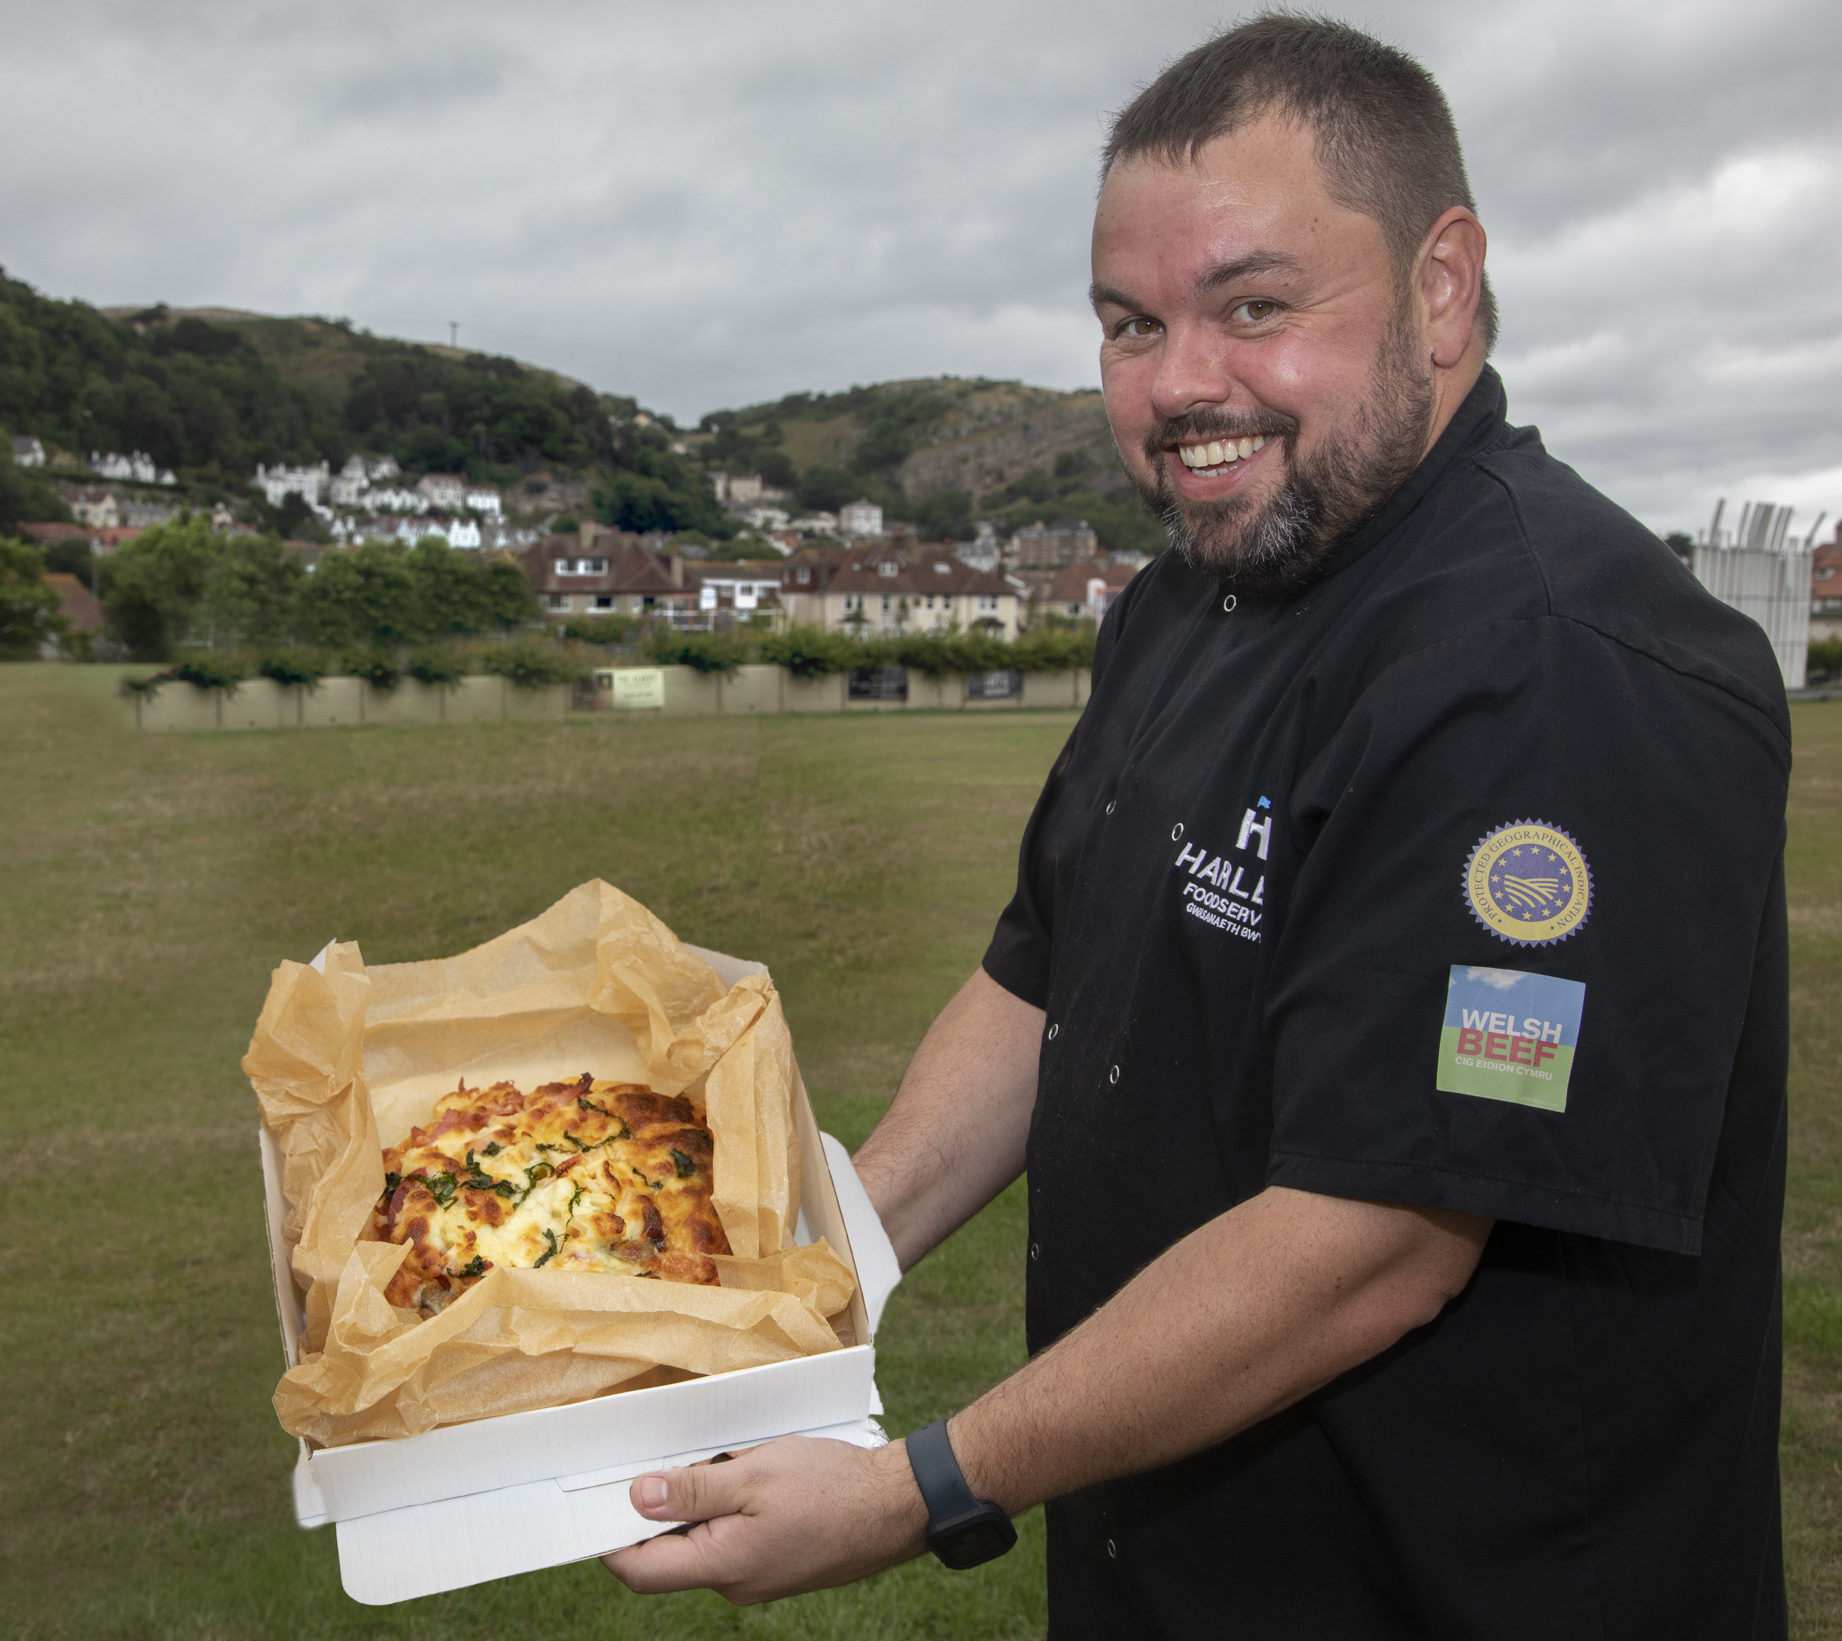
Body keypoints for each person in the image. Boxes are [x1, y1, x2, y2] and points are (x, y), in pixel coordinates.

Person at [604, 15, 1792, 1635]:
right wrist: (820, 1277)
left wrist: (917, 1485)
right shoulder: (1182, 606)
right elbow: (1040, 988)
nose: (1176, 386)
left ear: (1441, 287)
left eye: (1252, 306)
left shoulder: (1556, 666)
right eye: (1127, 322)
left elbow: (1376, 1240)